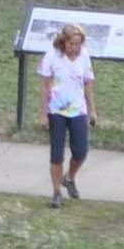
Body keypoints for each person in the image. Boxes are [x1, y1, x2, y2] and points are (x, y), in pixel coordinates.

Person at [38, 23, 97, 206]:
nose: (75, 47)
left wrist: (92, 110)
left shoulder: (84, 57)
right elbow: (46, 86)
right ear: (64, 42)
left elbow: (88, 83)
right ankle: (56, 193)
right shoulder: (52, 57)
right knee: (57, 154)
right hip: (57, 110)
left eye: (78, 44)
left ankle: (69, 177)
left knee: (81, 150)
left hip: (77, 110)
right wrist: (43, 113)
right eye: (72, 43)